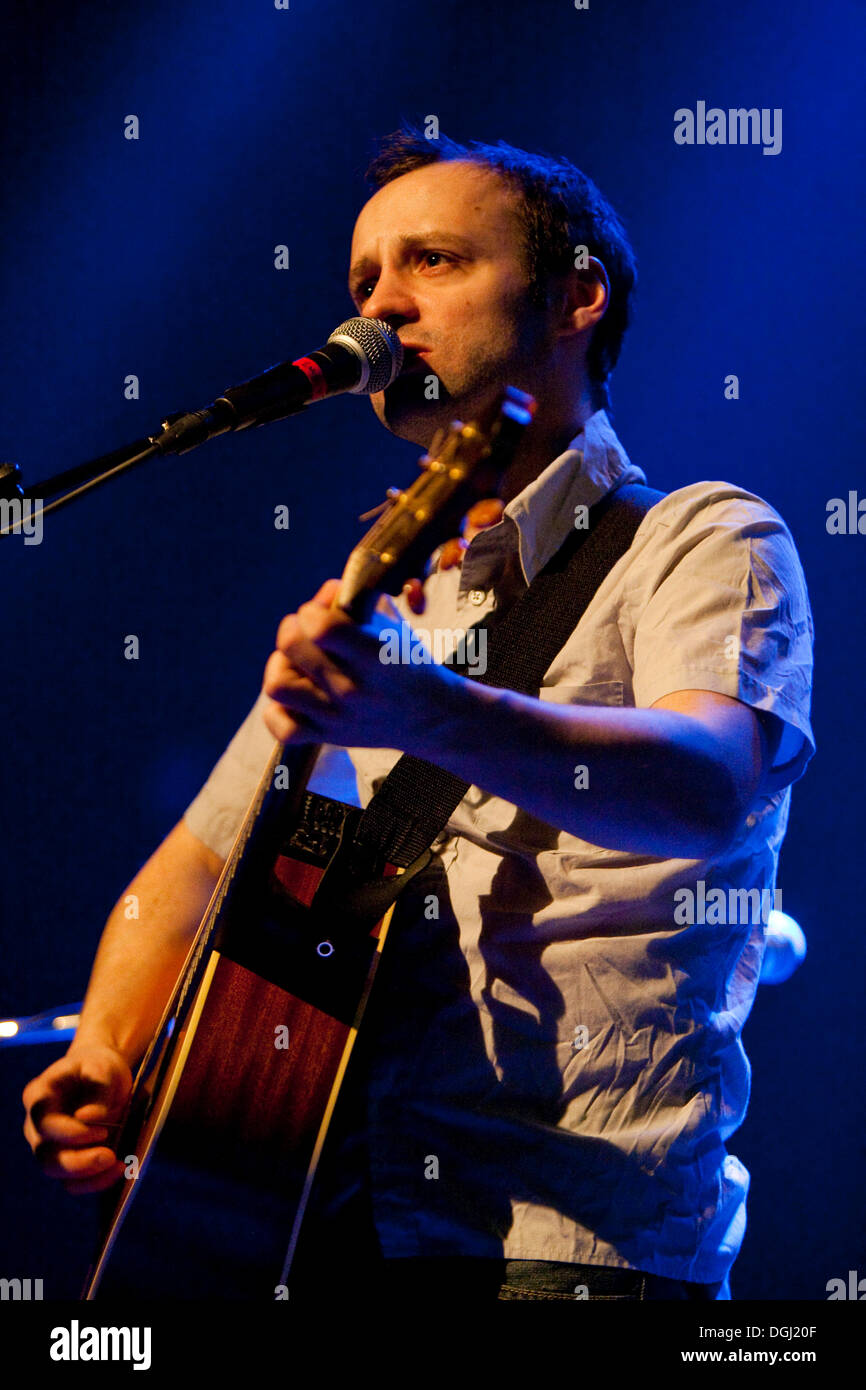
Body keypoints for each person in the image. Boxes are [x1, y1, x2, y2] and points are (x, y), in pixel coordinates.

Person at [21, 127, 814, 1302]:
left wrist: (429, 710)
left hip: (565, 1240)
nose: (380, 309)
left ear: (574, 295)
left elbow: (704, 782)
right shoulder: (386, 597)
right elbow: (193, 865)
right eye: (361, 283)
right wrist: (108, 1049)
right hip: (318, 1225)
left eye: (433, 262)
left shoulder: (699, 536)